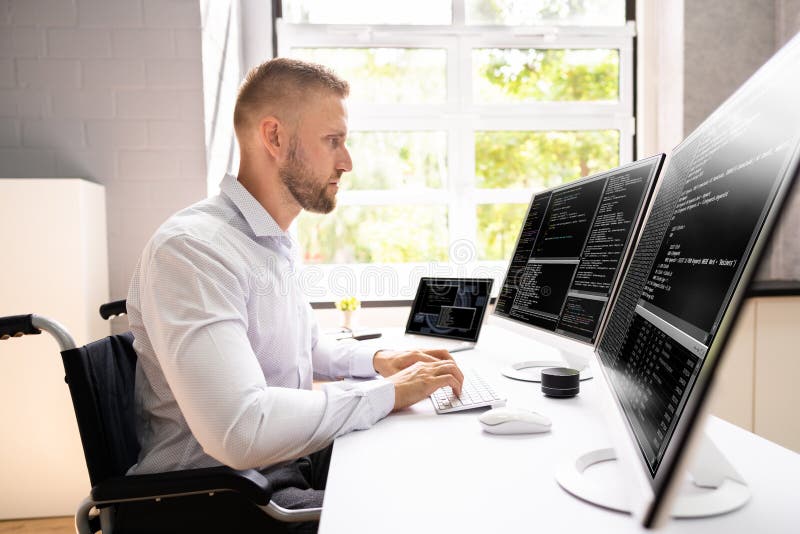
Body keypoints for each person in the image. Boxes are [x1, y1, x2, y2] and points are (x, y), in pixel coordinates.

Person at [122, 58, 465, 531]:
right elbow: (240, 430)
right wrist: (387, 394)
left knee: (435, 466)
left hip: (274, 470)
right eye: (333, 141)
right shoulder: (194, 250)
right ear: (275, 137)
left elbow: (305, 349)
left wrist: (381, 363)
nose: (346, 162)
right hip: (217, 501)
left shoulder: (270, 241)